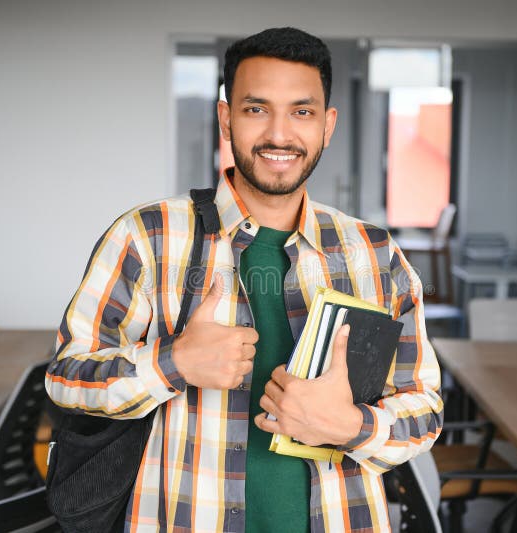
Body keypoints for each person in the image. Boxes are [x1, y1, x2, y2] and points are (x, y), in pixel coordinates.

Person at [46, 27, 443, 533]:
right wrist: (174, 361)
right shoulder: (148, 236)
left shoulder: (375, 254)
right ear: (225, 117)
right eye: (257, 109)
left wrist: (349, 425)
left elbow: (425, 412)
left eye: (302, 111)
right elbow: (66, 378)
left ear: (328, 124)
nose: (280, 134)